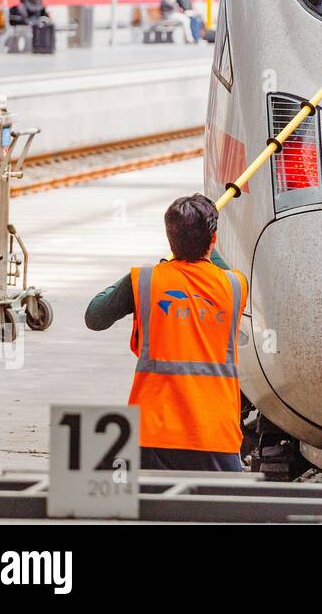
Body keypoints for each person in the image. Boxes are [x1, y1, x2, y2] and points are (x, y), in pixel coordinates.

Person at [85, 195, 249, 471]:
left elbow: (95, 317)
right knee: (221, 511)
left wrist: (172, 253)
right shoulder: (234, 285)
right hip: (215, 436)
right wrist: (200, 236)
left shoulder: (146, 280)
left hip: (150, 434)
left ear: (169, 238)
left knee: (147, 511)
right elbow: (215, 263)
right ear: (214, 239)